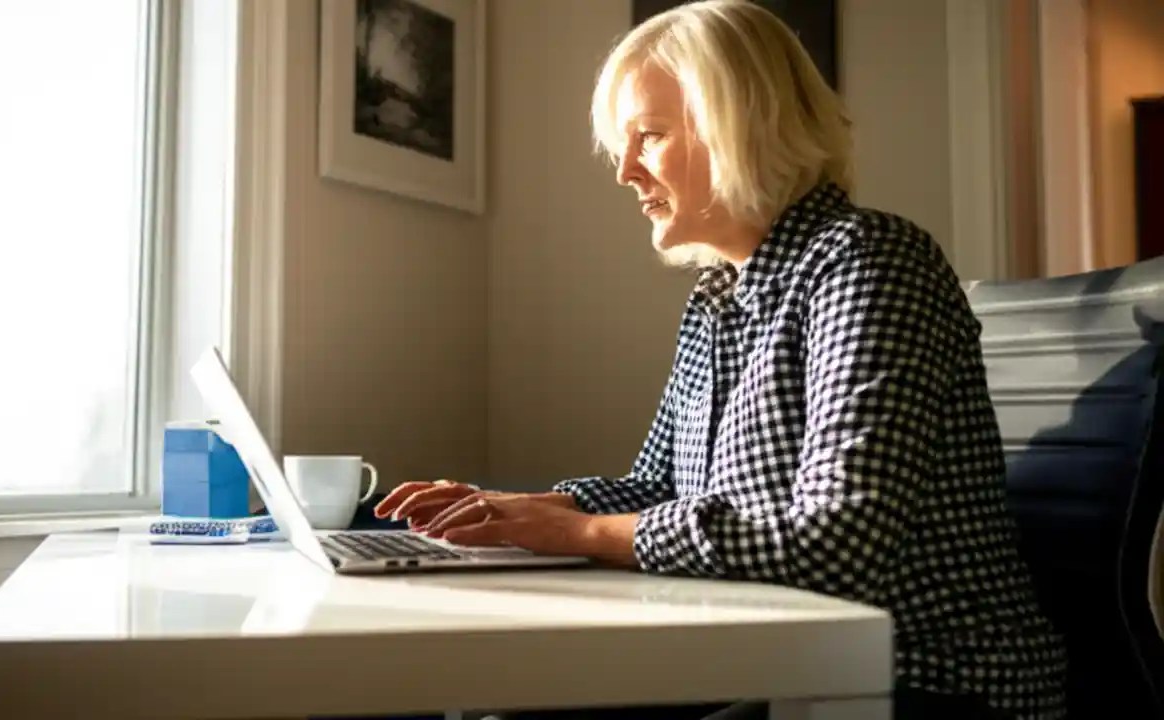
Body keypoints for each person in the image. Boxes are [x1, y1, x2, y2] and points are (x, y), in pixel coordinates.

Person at [374, 2, 1067, 718]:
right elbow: (660, 485)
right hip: (771, 661)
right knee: (488, 698)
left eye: (648, 136)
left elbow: (839, 545)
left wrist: (573, 533)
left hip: (921, 678)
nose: (625, 172)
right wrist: (525, 509)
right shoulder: (716, 299)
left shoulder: (867, 261)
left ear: (741, 122)